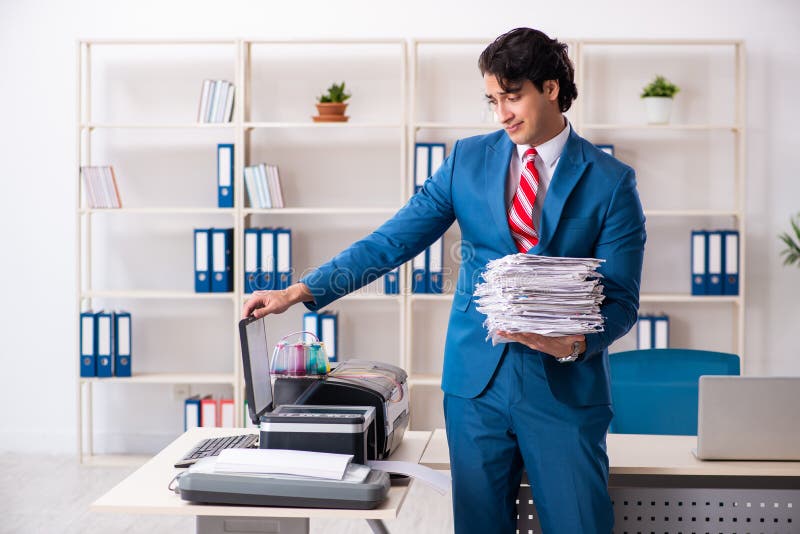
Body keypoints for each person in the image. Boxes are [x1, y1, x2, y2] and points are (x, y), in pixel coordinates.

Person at [242, 27, 646, 534]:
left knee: (580, 525)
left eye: (513, 96)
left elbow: (623, 301)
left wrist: (572, 344)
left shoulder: (610, 181)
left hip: (564, 387)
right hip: (477, 386)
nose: (502, 114)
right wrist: (300, 291)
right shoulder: (467, 161)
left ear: (551, 88)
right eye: (493, 99)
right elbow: (393, 240)